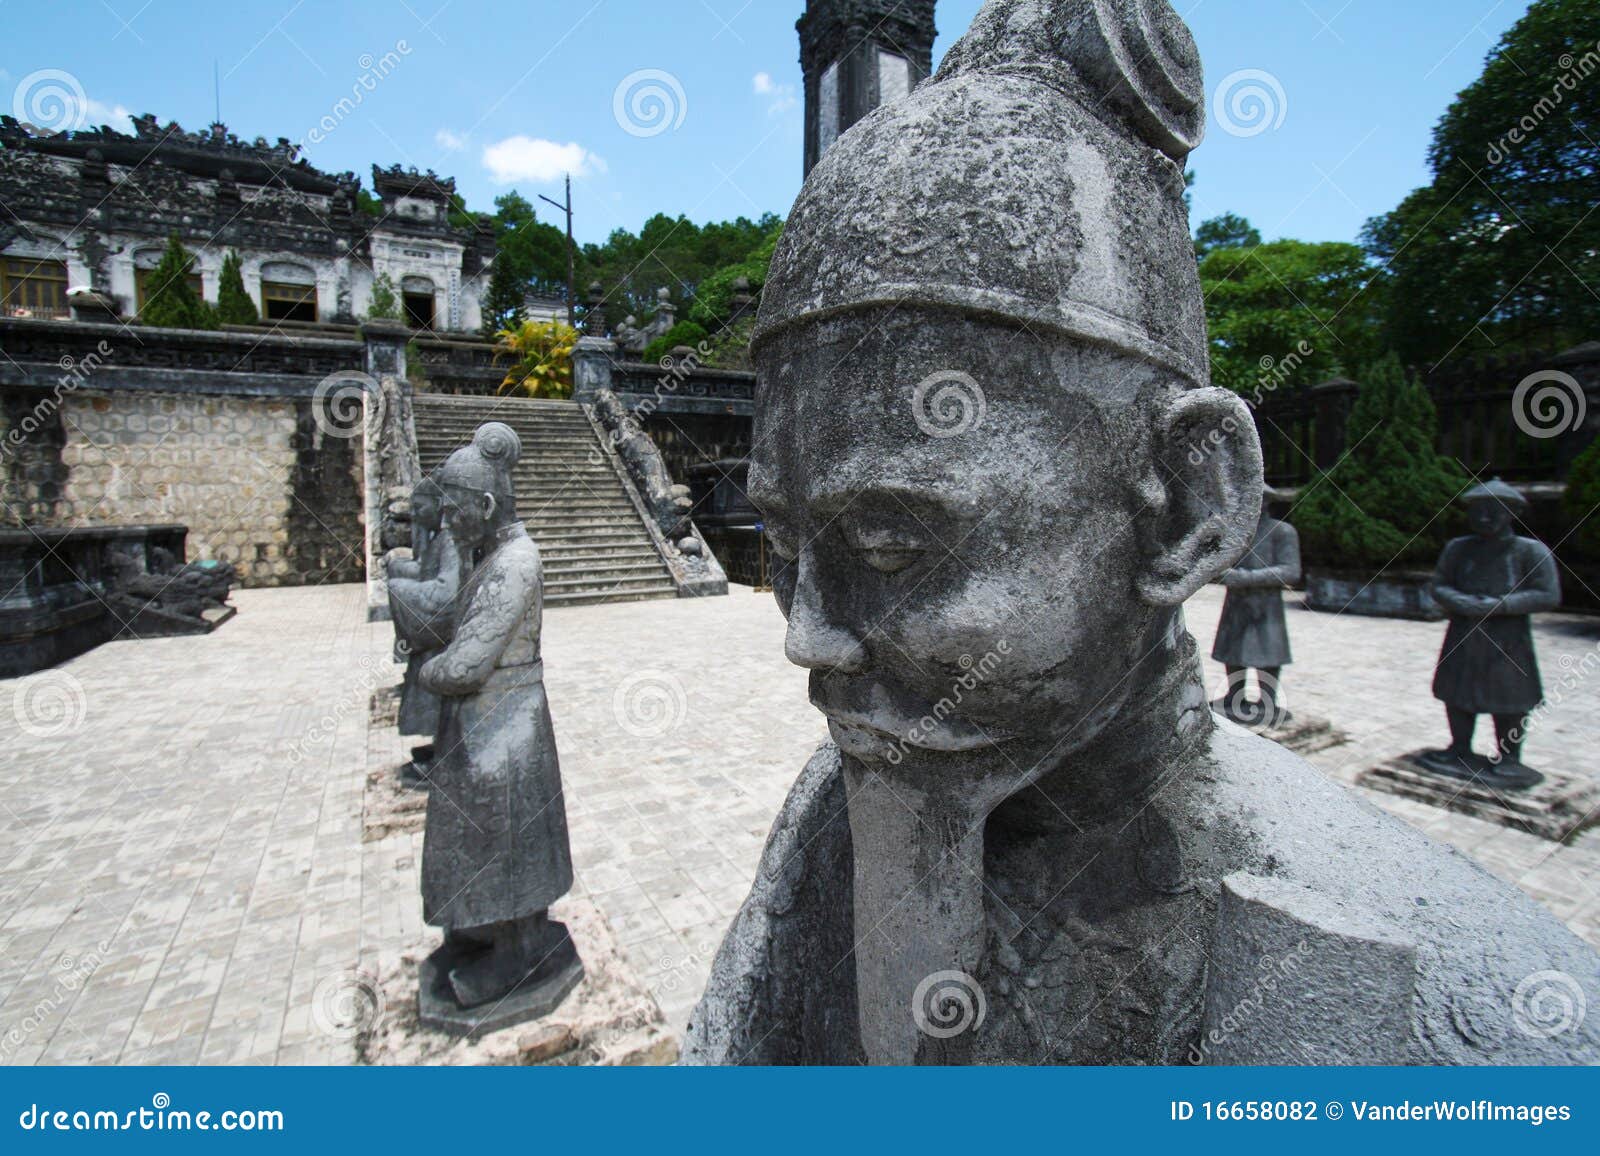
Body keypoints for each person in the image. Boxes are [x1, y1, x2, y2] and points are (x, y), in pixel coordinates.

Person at [684, 0, 1598, 1066]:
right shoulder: (826, 821)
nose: (809, 638)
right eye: (787, 546)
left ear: (1187, 505)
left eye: (890, 546)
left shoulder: (1475, 1011)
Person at [418, 422, 579, 1010]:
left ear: (485, 505)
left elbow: (466, 665)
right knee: (482, 836)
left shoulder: (515, 563)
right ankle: (484, 929)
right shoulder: (492, 555)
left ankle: (521, 947)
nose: (446, 522)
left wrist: (428, 672)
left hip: (506, 722)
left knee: (507, 838)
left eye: (455, 510)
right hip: (488, 719)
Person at [1418, 478, 1560, 789]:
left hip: (1508, 639)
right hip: (1464, 632)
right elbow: (1439, 585)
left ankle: (1509, 757)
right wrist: (1464, 602)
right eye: (1478, 512)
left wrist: (1500, 605)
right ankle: (1459, 749)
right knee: (1456, 691)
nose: (1484, 518)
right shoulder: (1457, 548)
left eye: (1493, 512)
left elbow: (1548, 595)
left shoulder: (1530, 551)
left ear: (1511, 514)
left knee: (1510, 697)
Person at [386, 476, 460, 782]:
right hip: (434, 635)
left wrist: (399, 588)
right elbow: (426, 571)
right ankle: (439, 748)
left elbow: (448, 594)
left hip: (443, 635)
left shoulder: (451, 542)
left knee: (442, 696)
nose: (414, 514)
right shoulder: (439, 540)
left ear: (438, 504)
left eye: (419, 506)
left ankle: (448, 755)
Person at [1210, 491, 1301, 727]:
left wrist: (1244, 577)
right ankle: (1234, 694)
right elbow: (1216, 563)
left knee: (1268, 651)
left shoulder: (1282, 532)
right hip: (1237, 602)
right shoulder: (1234, 533)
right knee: (1232, 648)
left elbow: (1290, 571)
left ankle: (1267, 700)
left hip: (1266, 604)